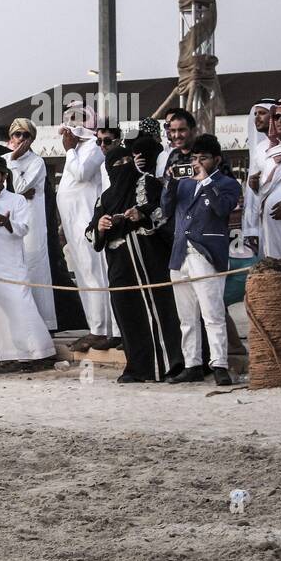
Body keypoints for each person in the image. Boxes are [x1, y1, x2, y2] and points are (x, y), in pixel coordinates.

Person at [87, 141, 183, 383]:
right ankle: (138, 367)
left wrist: (143, 214)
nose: (123, 166)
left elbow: (165, 213)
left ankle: (170, 365)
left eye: (126, 161)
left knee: (159, 309)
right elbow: (90, 232)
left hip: (148, 257)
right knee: (127, 312)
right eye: (116, 164)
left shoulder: (148, 183)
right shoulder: (105, 198)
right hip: (119, 262)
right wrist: (101, 226)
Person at [162, 133, 241, 386]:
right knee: (186, 317)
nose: (197, 163)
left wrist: (206, 180)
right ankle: (192, 364)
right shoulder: (184, 183)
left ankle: (219, 364)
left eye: (203, 158)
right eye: (194, 158)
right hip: (180, 253)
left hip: (206, 253)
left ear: (216, 159)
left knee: (213, 313)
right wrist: (170, 182)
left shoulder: (228, 183)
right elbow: (165, 210)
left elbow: (222, 209)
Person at [0, 155, 55, 369]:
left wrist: (7, 222)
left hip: (12, 266)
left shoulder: (17, 200)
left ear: (4, 177)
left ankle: (33, 355)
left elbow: (24, 228)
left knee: (21, 307)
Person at [56, 107, 116, 350]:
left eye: (77, 119)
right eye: (69, 119)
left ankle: (103, 330)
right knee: (83, 277)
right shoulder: (79, 149)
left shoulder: (93, 147)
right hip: (73, 226)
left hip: (88, 224)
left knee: (94, 275)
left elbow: (82, 174)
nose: (71, 124)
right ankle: (94, 328)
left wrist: (70, 149)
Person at [2, 119, 57, 330]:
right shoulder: (3, 159)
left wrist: (14, 163)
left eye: (26, 136)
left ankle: (43, 323)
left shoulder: (37, 162)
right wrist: (19, 191)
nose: (21, 139)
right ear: (11, 137)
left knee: (35, 267)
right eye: (18, 135)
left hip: (32, 221)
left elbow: (19, 185)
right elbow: (1, 189)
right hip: (8, 220)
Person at [254, 141, 281, 261]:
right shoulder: (272, 152)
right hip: (272, 227)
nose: (279, 122)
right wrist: (256, 187)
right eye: (275, 120)